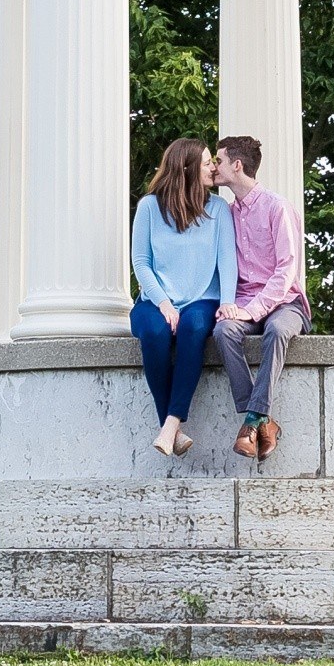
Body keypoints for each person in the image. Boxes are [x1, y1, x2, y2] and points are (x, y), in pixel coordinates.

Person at [128, 135, 237, 458]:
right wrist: (163, 303)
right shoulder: (150, 207)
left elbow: (226, 261)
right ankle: (172, 430)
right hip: (155, 300)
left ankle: (170, 424)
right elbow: (141, 262)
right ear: (187, 169)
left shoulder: (218, 209)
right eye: (206, 163)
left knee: (193, 328)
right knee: (154, 332)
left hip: (203, 299)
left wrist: (228, 301)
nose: (213, 168)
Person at [210, 132, 309, 460]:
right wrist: (235, 307)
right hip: (244, 301)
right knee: (224, 331)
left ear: (237, 165)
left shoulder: (277, 207)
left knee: (277, 330)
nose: (214, 166)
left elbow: (287, 271)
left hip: (285, 302)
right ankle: (263, 421)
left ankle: (252, 421)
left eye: (219, 160)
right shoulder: (226, 212)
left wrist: (252, 310)